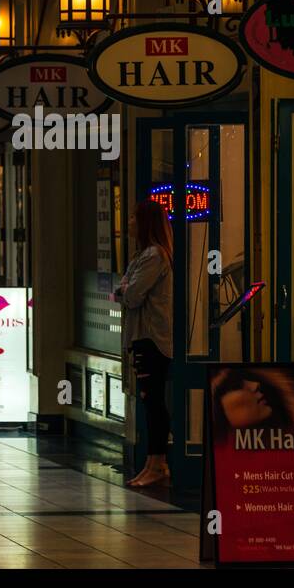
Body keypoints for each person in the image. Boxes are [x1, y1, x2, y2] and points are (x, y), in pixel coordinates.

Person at [116, 199, 174, 487]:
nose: (128, 223)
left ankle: (159, 462)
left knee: (153, 401)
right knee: (149, 399)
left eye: (132, 218)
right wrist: (124, 288)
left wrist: (124, 289)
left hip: (152, 338)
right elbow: (123, 287)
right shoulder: (142, 255)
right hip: (142, 337)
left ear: (144, 223)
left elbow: (131, 294)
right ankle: (153, 462)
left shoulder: (154, 256)